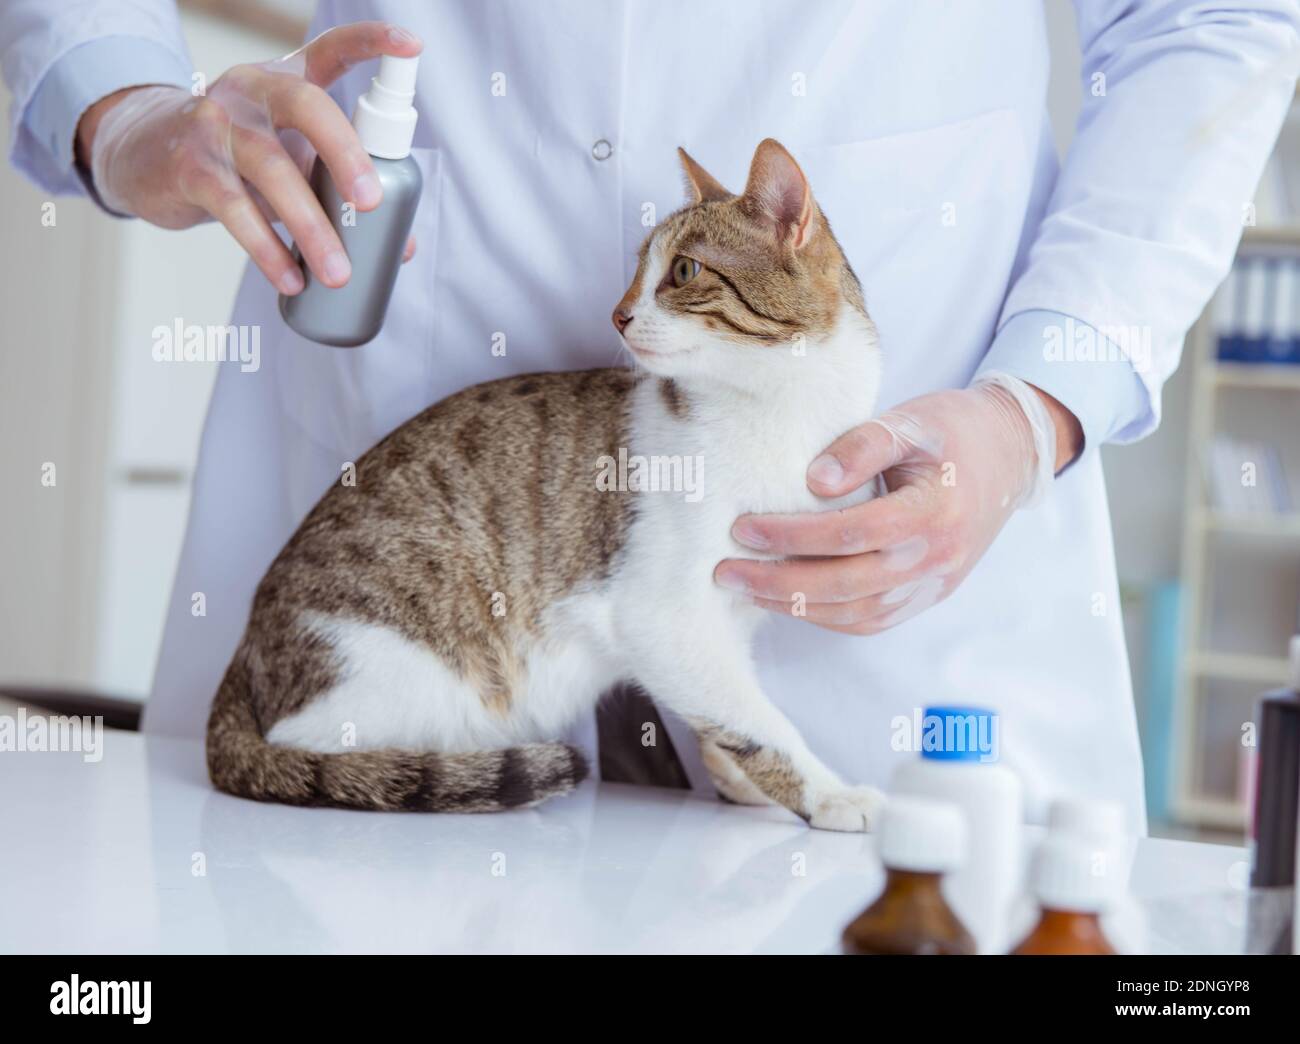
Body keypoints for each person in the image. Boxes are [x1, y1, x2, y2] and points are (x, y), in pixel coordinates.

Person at [4, 1, 1297, 830]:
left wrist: (1039, 402)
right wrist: (118, 108)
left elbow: (1216, 19)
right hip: (414, 392)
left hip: (902, 481)